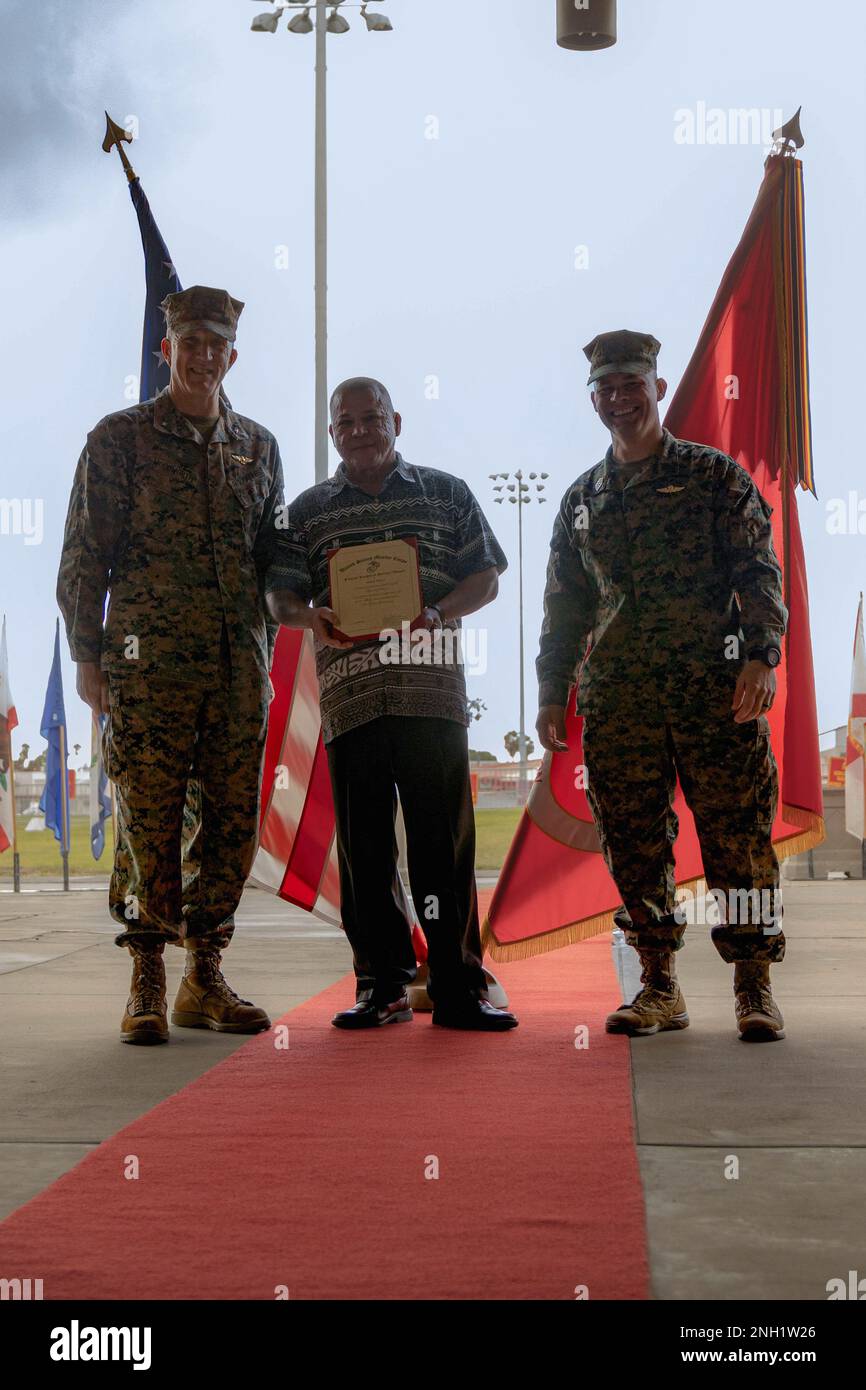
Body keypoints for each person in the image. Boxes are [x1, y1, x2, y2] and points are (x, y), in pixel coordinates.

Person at [536, 330, 789, 1042]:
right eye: (606, 391)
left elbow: (757, 573)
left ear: (658, 388)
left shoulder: (715, 478)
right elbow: (565, 605)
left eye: (631, 387)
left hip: (716, 691)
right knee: (636, 841)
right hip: (620, 699)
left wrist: (762, 656)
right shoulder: (583, 499)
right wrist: (553, 690)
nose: (620, 400)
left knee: (737, 839)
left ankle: (753, 986)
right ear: (594, 400)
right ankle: (659, 986)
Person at [57, 286, 284, 1045]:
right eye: (190, 341)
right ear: (167, 350)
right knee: (149, 820)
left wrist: (290, 636)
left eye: (216, 343)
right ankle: (147, 975)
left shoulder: (259, 446)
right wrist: (88, 656)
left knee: (229, 820)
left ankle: (206, 974)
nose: (203, 354)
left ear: (232, 355)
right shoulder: (119, 438)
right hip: (146, 665)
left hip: (236, 668)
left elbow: (272, 563)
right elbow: (86, 556)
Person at [266, 377, 518, 1031]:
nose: (358, 430)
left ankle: (459, 985)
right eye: (344, 422)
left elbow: (485, 574)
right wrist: (308, 616)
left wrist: (439, 609)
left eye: (370, 417)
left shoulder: (447, 492)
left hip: (431, 694)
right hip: (353, 700)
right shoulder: (307, 511)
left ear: (395, 421)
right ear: (331, 434)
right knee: (366, 850)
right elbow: (279, 595)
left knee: (443, 845)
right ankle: (382, 986)